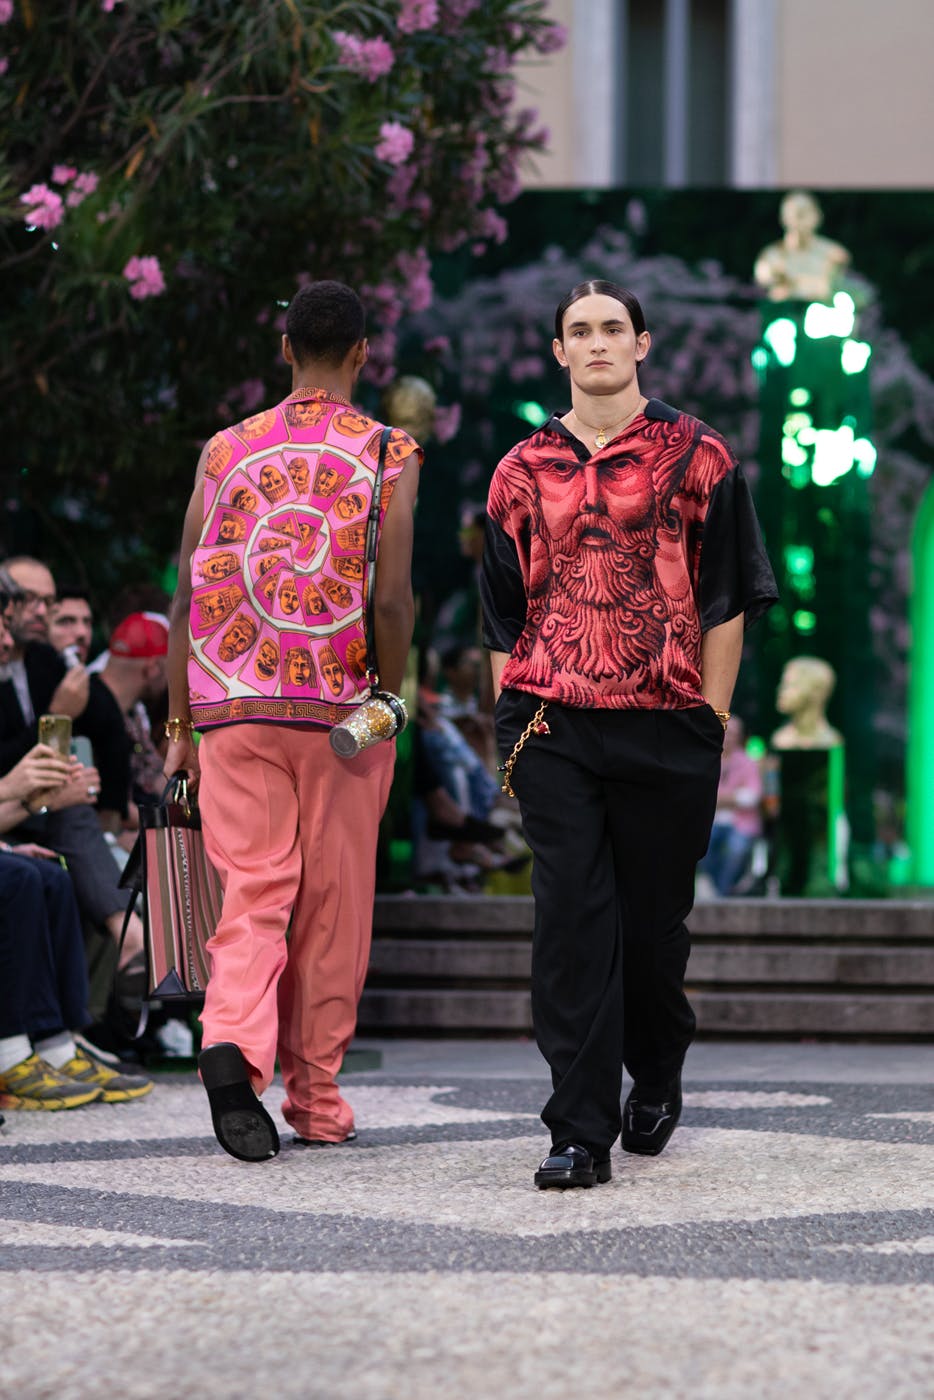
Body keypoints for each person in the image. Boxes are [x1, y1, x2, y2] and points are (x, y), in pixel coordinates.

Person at [481, 279, 778, 1189]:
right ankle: (578, 1129)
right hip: (554, 722)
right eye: (582, 330)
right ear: (560, 352)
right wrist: (517, 730)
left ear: (642, 344)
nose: (600, 341)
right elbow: (500, 615)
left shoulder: (700, 456)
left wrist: (712, 720)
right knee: (570, 922)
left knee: (652, 930)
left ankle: (657, 1067)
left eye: (615, 327)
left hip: (666, 723)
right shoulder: (519, 471)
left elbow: (728, 596)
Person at [165, 279, 422, 1162]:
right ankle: (315, 1099)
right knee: (334, 906)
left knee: (254, 888)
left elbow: (188, 589)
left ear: (284, 350)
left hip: (230, 705)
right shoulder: (388, 452)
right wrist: (392, 691)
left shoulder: (224, 449)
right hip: (342, 711)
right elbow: (391, 597)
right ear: (362, 353)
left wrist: (177, 726)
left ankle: (232, 1045)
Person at [697, 717, 764, 896]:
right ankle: (722, 891)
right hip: (710, 821)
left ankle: (722, 893)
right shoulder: (706, 758)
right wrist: (734, 797)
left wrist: (719, 799)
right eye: (727, 732)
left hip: (740, 822)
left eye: (734, 734)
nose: (729, 738)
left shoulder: (747, 762)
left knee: (737, 849)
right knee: (699, 848)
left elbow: (752, 796)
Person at [753, 191, 850, 305]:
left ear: (817, 216)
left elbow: (837, 287)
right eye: (794, 214)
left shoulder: (835, 254)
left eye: (804, 213)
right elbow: (766, 286)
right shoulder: (770, 257)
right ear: (783, 218)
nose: (798, 220)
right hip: (785, 315)